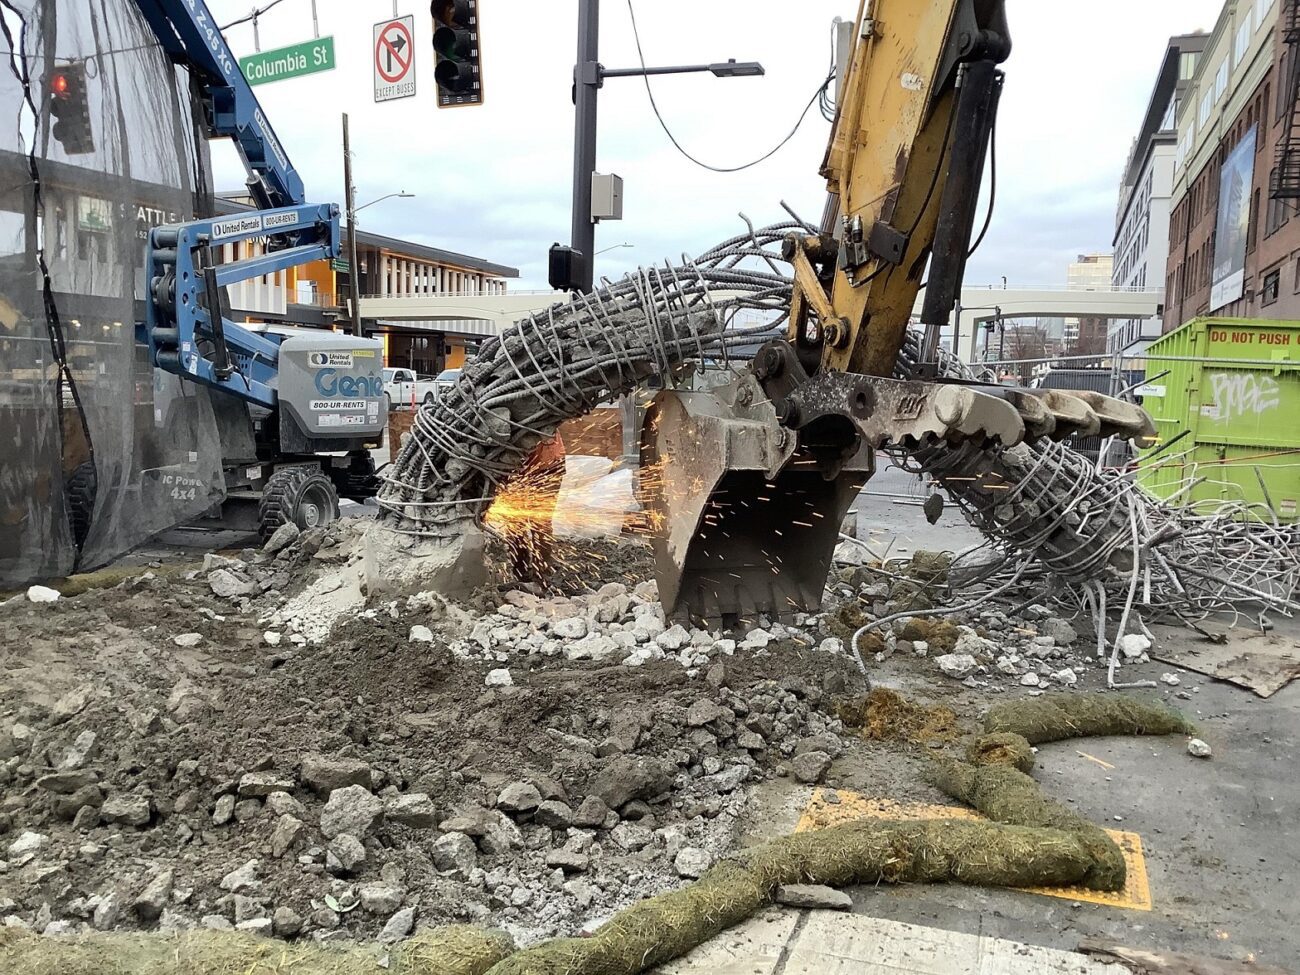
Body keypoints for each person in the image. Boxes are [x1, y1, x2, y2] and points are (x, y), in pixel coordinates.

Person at [505, 432, 565, 587]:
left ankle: (542, 577)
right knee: (514, 522)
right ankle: (520, 574)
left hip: (547, 467)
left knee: (540, 523)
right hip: (517, 468)